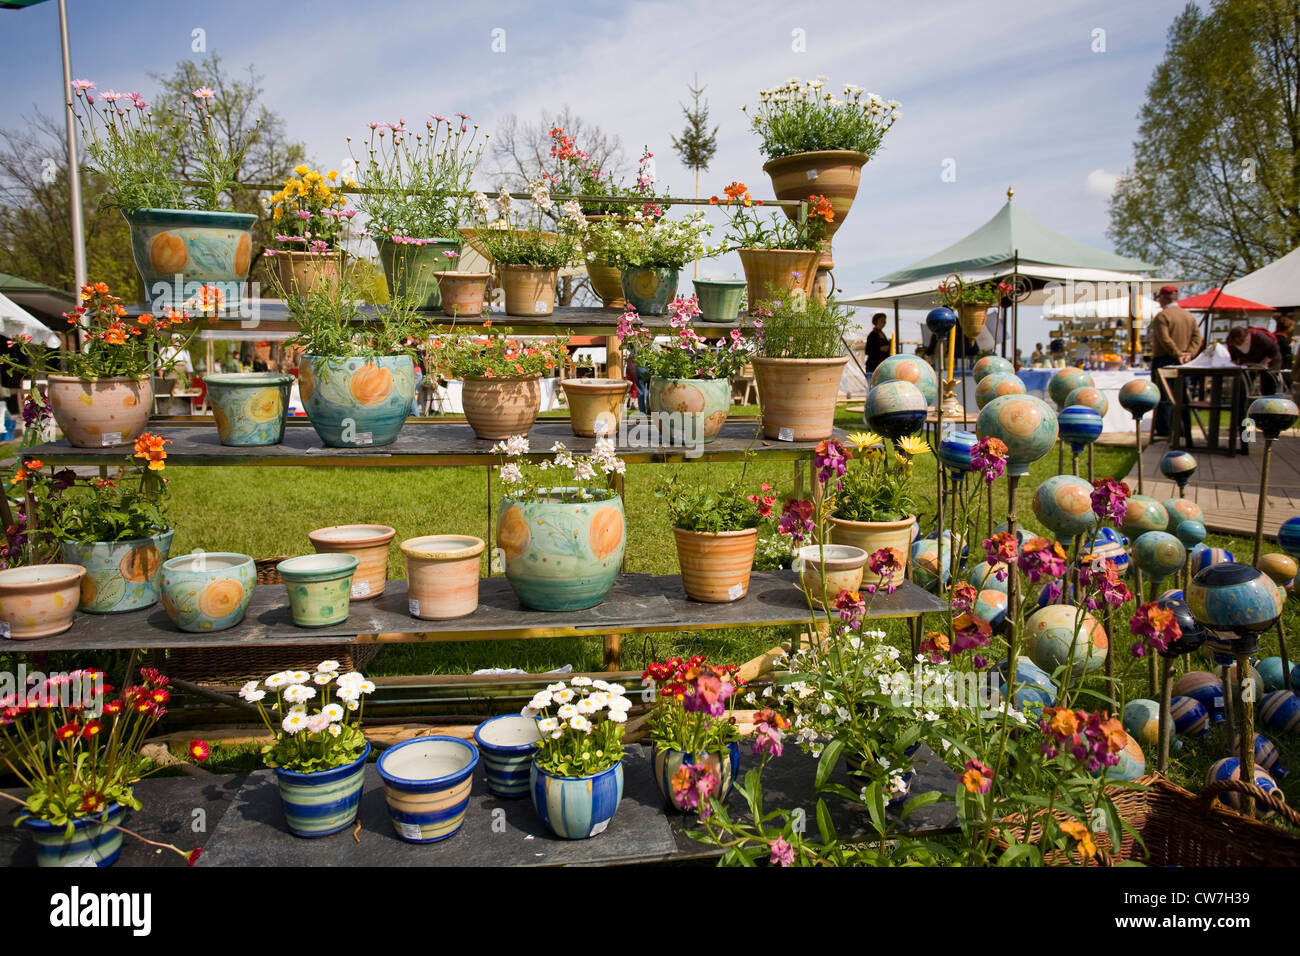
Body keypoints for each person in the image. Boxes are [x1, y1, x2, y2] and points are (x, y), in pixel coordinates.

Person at [1148, 285, 1202, 438]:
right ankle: (1184, 429)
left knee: (1163, 396)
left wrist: (1178, 354)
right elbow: (1197, 338)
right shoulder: (1188, 316)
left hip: (1165, 360)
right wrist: (1188, 354)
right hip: (1184, 361)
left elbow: (1164, 339)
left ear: (1163, 298)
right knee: (1182, 396)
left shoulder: (1162, 316)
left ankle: (1165, 429)